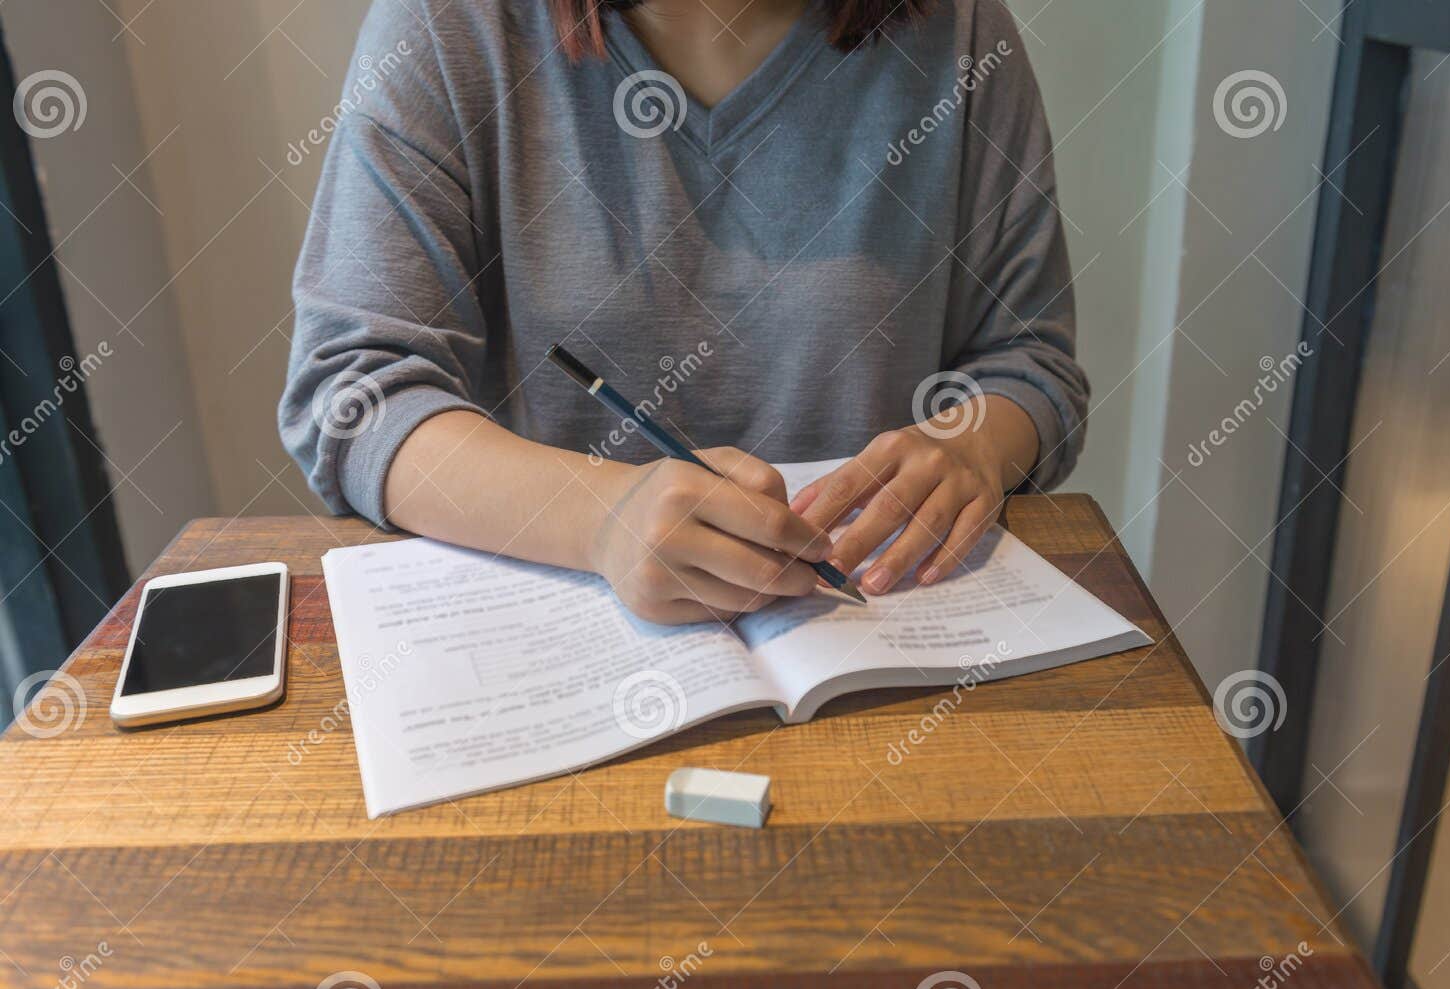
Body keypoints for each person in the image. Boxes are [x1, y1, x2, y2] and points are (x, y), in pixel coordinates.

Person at [281, 0, 1087, 624]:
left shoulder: (960, 35)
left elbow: (1028, 362)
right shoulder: (453, 26)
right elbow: (356, 395)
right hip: (567, 638)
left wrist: (975, 444)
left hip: (877, 625)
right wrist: (601, 522)